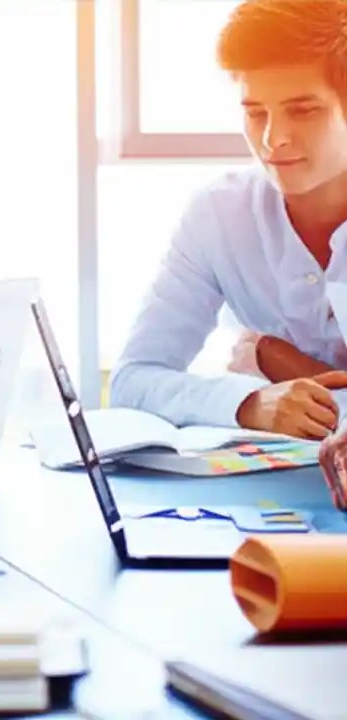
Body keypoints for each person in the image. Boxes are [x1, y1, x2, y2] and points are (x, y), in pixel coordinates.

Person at [110, 0, 347, 441]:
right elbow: (133, 380)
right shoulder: (219, 216)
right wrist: (249, 402)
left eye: (303, 110)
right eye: (256, 112)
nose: (273, 138)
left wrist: (290, 366)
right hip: (274, 489)